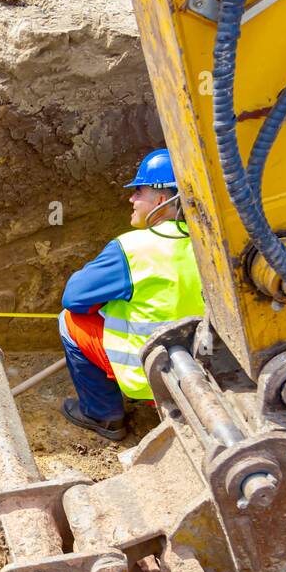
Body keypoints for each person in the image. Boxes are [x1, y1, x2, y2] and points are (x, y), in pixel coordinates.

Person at [58, 149, 205, 440]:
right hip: (205, 372)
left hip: (149, 377)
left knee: (69, 320)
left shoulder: (133, 247)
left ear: (162, 200)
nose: (131, 200)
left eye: (139, 192)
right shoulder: (210, 244)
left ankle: (103, 415)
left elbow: (73, 298)